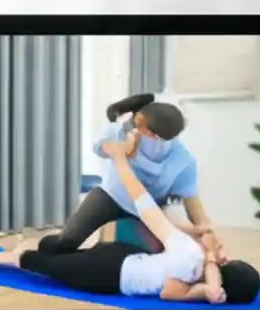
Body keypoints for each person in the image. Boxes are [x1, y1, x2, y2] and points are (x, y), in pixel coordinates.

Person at [0, 133, 260, 304]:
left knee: (66, 261)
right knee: (51, 267)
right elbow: (170, 293)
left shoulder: (191, 252)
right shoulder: (188, 266)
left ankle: (32, 248)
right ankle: (15, 257)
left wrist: (202, 243)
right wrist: (203, 291)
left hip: (122, 256)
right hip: (111, 272)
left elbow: (155, 214)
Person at [38, 93, 227, 262]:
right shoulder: (123, 133)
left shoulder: (184, 163)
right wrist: (119, 141)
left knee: (134, 258)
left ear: (154, 134)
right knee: (65, 242)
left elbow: (195, 210)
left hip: (147, 213)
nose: (135, 126)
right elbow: (99, 148)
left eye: (140, 125)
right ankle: (31, 252)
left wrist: (210, 237)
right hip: (110, 196)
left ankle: (99, 254)